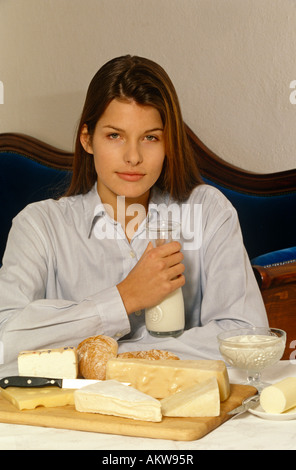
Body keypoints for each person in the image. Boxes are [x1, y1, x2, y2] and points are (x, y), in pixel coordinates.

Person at [0, 55, 268, 376]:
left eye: (150, 137)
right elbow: (4, 340)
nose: (133, 157)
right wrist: (125, 297)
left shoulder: (208, 211)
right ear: (88, 139)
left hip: (180, 408)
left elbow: (247, 338)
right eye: (115, 135)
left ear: (168, 143)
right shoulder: (39, 226)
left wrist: (104, 357)